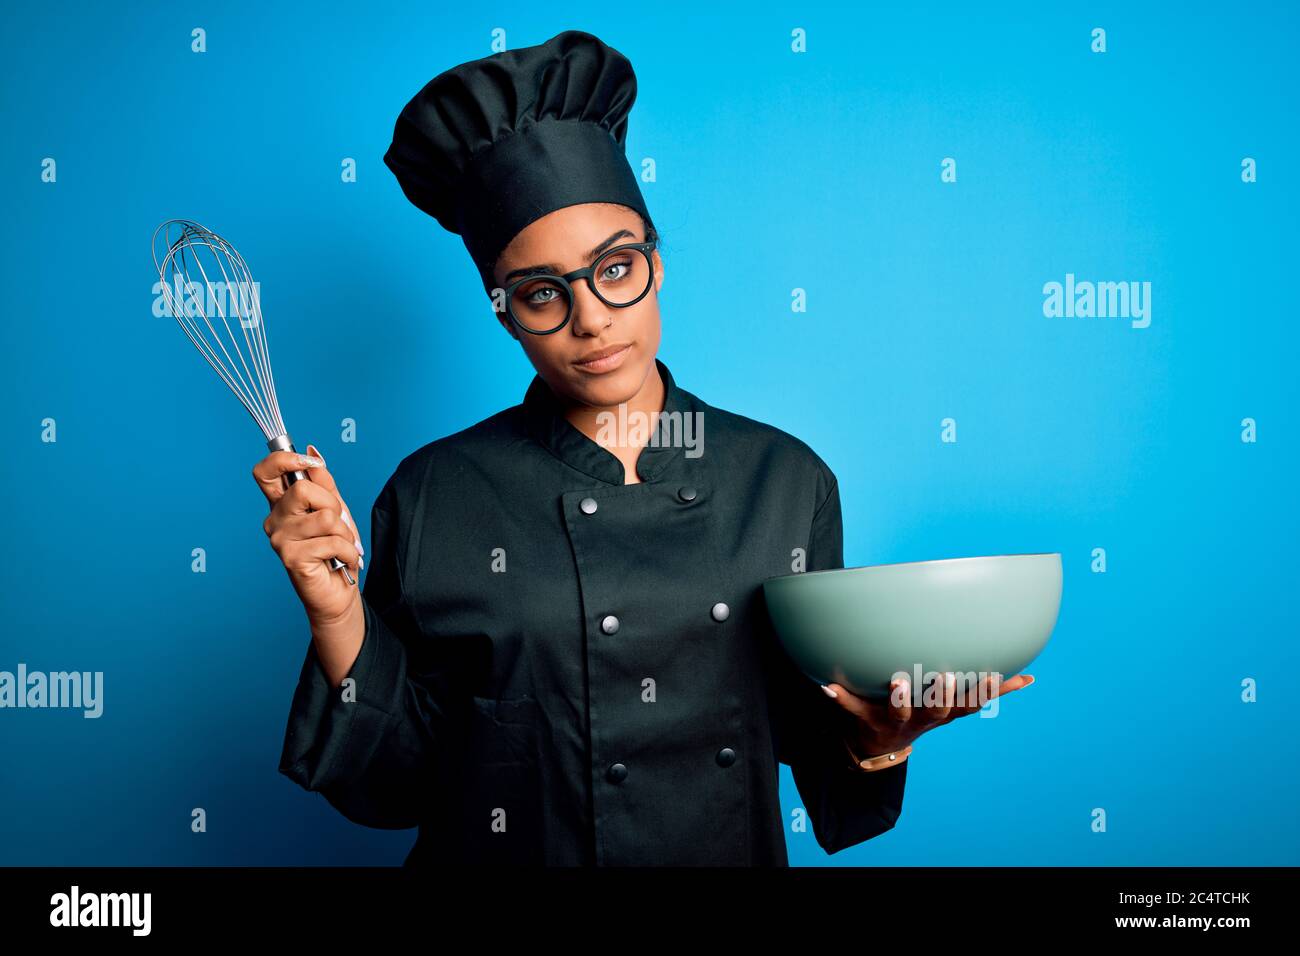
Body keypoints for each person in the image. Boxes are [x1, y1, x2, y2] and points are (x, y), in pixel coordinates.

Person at [253, 30, 1033, 866]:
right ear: (502, 310)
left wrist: (882, 737)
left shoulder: (783, 480)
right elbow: (398, 783)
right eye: (542, 293)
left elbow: (819, 741)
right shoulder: (434, 490)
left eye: (614, 269)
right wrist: (337, 615)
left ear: (656, 263)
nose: (590, 318)